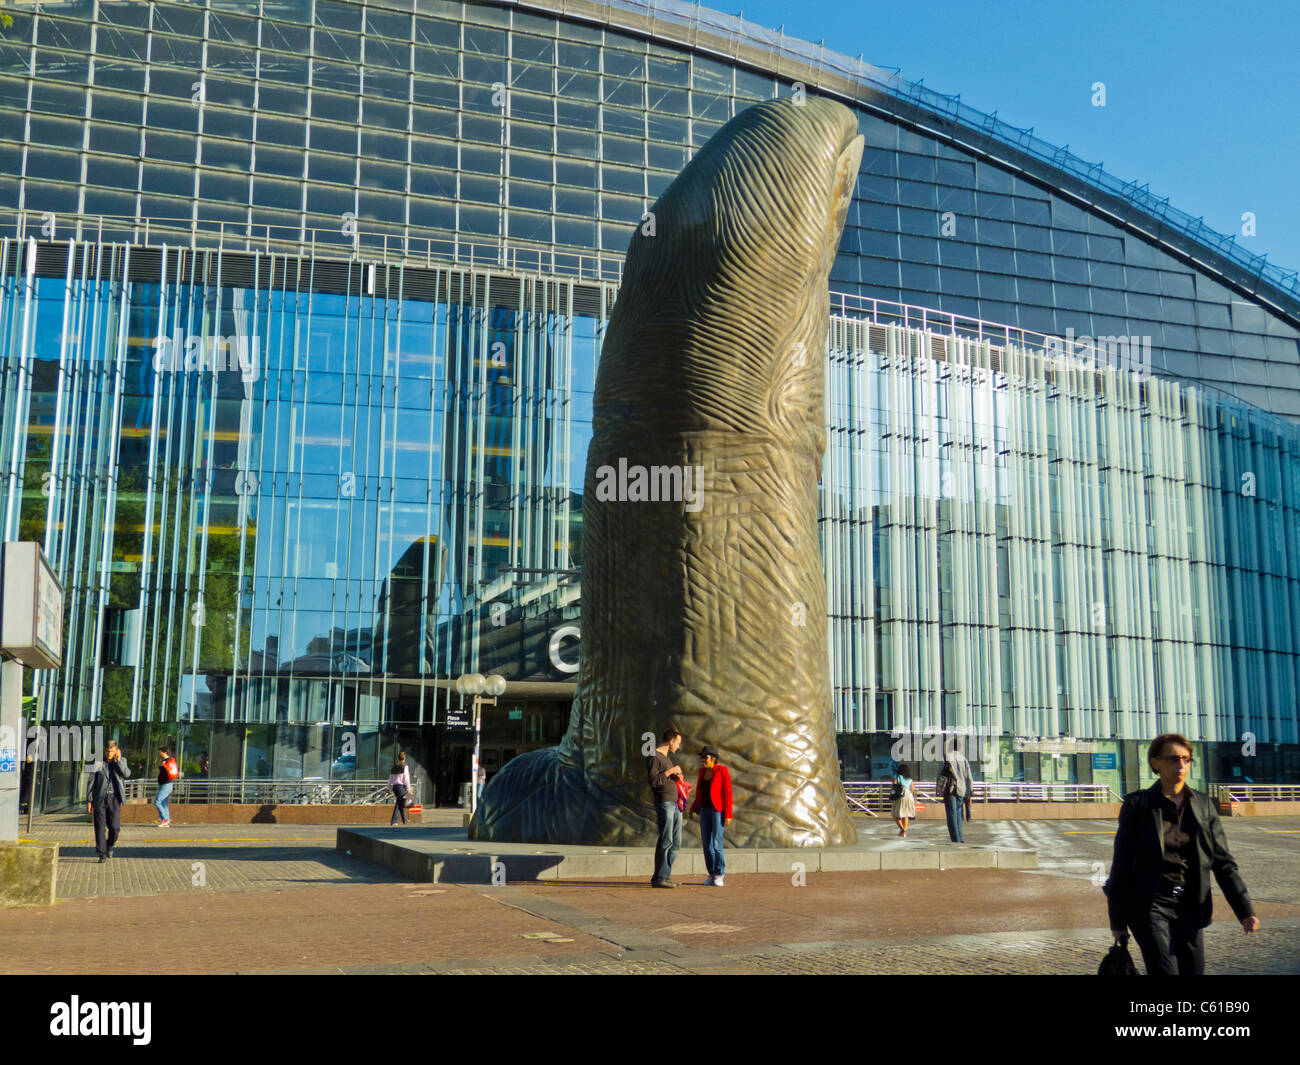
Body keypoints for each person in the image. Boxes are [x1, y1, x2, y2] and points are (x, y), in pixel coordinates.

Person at [1105, 733, 1259, 975]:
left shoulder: (1203, 804)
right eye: (1173, 759)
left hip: (1191, 904)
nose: (1181, 765)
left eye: (1186, 759)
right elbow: (1121, 865)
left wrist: (1244, 909)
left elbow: (1223, 862)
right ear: (1155, 762)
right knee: (1165, 971)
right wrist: (1117, 921)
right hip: (1150, 905)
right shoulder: (1138, 805)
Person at [688, 745, 733, 887]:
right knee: (706, 844)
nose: (703, 760)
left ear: (713, 758)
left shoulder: (722, 771)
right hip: (705, 810)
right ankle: (712, 874)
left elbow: (727, 793)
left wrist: (728, 814)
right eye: (702, 757)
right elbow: (700, 792)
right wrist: (693, 806)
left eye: (705, 757)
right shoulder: (702, 772)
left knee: (716, 844)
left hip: (717, 811)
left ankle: (720, 873)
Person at [647, 727, 685, 887]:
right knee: (666, 839)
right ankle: (660, 877)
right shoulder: (653, 756)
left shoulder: (667, 757)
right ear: (671, 741)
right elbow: (654, 781)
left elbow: (666, 777)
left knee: (676, 842)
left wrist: (677, 777)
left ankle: (664, 876)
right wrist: (670, 771)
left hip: (675, 803)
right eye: (678, 743)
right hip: (665, 802)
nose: (678, 747)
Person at [86, 739, 131, 863]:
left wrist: (118, 761)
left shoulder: (122, 761)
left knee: (115, 828)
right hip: (99, 798)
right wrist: (89, 800)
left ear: (116, 750)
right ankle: (101, 853)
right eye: (107, 751)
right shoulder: (98, 762)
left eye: (111, 751)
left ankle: (110, 845)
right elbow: (91, 781)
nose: (109, 754)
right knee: (100, 827)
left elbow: (126, 774)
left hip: (114, 798)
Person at [940, 748, 972, 843]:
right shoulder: (964, 759)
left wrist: (939, 789)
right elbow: (969, 778)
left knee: (952, 816)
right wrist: (969, 792)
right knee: (958, 815)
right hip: (961, 790)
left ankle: (956, 839)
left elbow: (941, 775)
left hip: (950, 790)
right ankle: (960, 838)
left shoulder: (946, 758)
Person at [154, 745, 179, 827]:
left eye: (160, 752)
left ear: (165, 752)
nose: (160, 754)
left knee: (157, 802)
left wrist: (162, 766)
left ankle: (165, 819)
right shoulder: (167, 761)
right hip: (165, 784)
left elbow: (167, 773)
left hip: (166, 784)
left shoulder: (167, 761)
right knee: (164, 803)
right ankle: (166, 820)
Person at [891, 762, 916, 838]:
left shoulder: (897, 777)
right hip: (909, 795)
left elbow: (893, 786)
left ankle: (902, 829)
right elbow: (912, 788)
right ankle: (904, 832)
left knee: (895, 814)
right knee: (906, 815)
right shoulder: (910, 778)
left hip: (900, 795)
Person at [388, 751, 412, 826]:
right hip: (401, 787)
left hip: (395, 787)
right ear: (404, 758)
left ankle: (404, 820)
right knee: (399, 803)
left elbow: (390, 778)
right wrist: (409, 789)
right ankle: (394, 821)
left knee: (400, 803)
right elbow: (406, 779)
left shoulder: (394, 767)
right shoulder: (405, 766)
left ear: (398, 758)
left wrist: (388, 787)